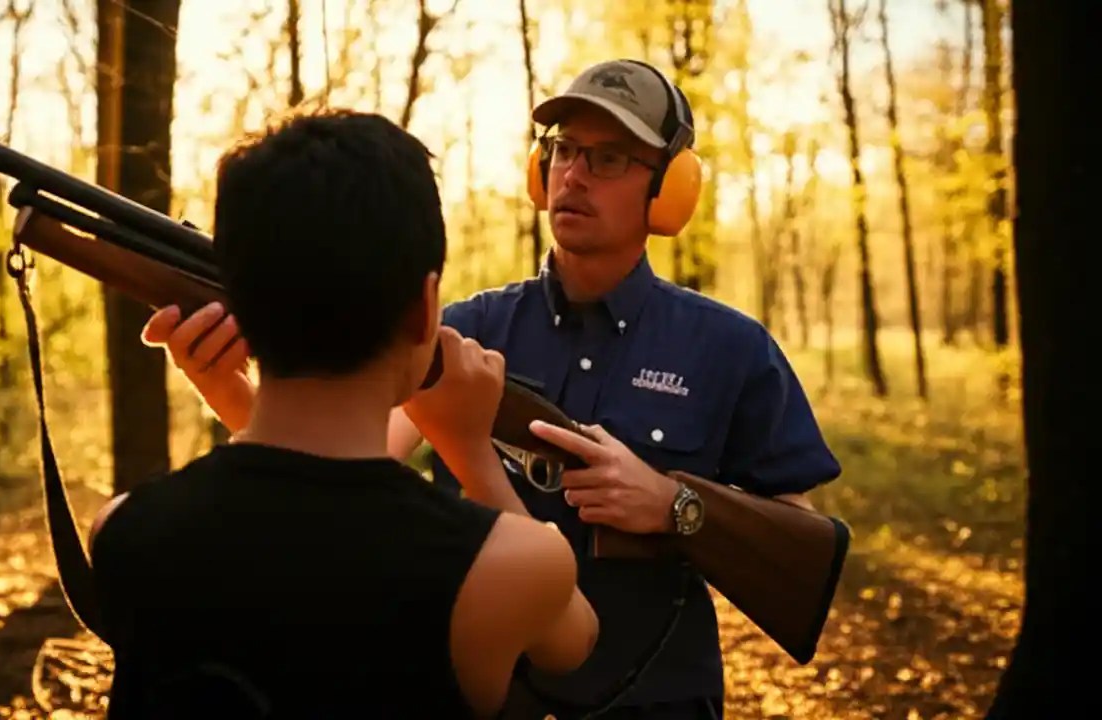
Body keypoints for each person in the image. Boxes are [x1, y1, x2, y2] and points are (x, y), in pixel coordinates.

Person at [150, 59, 841, 719]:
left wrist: (673, 505)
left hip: (654, 698)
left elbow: (796, 530)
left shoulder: (729, 347)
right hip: (479, 697)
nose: (574, 173)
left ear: (669, 187)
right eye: (564, 149)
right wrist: (231, 389)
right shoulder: (466, 328)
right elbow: (349, 468)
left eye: (608, 158)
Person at [90, 109, 599, 719]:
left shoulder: (121, 531)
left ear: (239, 303)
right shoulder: (513, 566)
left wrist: (232, 396)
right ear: (425, 306)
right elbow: (575, 643)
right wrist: (470, 451)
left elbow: (281, 521)